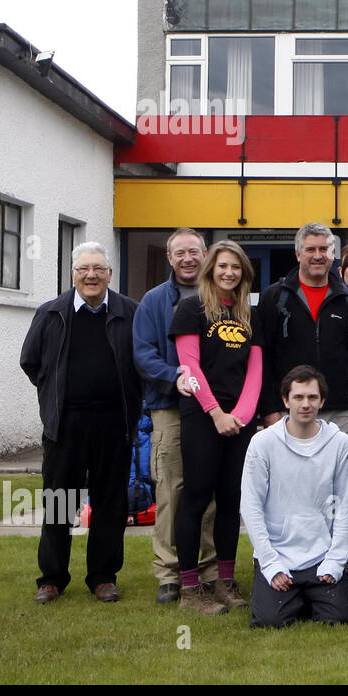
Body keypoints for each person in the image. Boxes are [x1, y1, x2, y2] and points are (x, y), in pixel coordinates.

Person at [21, 242, 142, 604]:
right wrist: (54, 398)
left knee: (110, 502)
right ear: (72, 273)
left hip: (114, 423)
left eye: (99, 269)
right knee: (61, 501)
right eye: (84, 269)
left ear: (109, 273)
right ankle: (52, 578)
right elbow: (31, 362)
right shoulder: (51, 313)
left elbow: (142, 363)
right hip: (65, 425)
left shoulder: (130, 313)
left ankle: (103, 577)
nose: (91, 275)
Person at [170, 240, 263, 614]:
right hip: (202, 418)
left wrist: (240, 415)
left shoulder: (248, 314)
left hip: (240, 422)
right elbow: (189, 368)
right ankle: (190, 589)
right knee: (195, 499)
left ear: (244, 273)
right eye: (223, 266)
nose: (229, 273)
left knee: (230, 501)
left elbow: (255, 372)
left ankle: (225, 582)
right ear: (211, 269)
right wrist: (216, 413)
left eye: (236, 268)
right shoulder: (191, 308)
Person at [131, 227, 217, 603]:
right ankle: (168, 573)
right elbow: (143, 353)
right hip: (169, 408)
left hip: (214, 410)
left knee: (211, 492)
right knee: (172, 490)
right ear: (170, 258)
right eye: (180, 253)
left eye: (194, 252)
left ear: (205, 253)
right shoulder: (152, 301)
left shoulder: (221, 297)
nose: (187, 259)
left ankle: (210, 570)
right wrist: (175, 377)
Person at [240, 365, 348, 628]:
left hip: (321, 557)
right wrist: (270, 564)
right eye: (298, 397)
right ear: (285, 400)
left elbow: (345, 505)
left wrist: (335, 562)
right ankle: (284, 595)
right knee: (269, 621)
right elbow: (250, 507)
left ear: (322, 400)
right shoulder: (262, 444)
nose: (306, 404)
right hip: (279, 556)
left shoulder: (340, 444)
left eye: (312, 397)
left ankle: (311, 596)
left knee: (339, 617)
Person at [257, 223, 348, 441]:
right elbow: (262, 358)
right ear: (298, 254)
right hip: (287, 409)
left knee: (337, 474)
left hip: (339, 411)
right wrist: (268, 408)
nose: (318, 256)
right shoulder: (274, 298)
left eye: (324, 249)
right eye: (310, 249)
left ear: (333, 254)